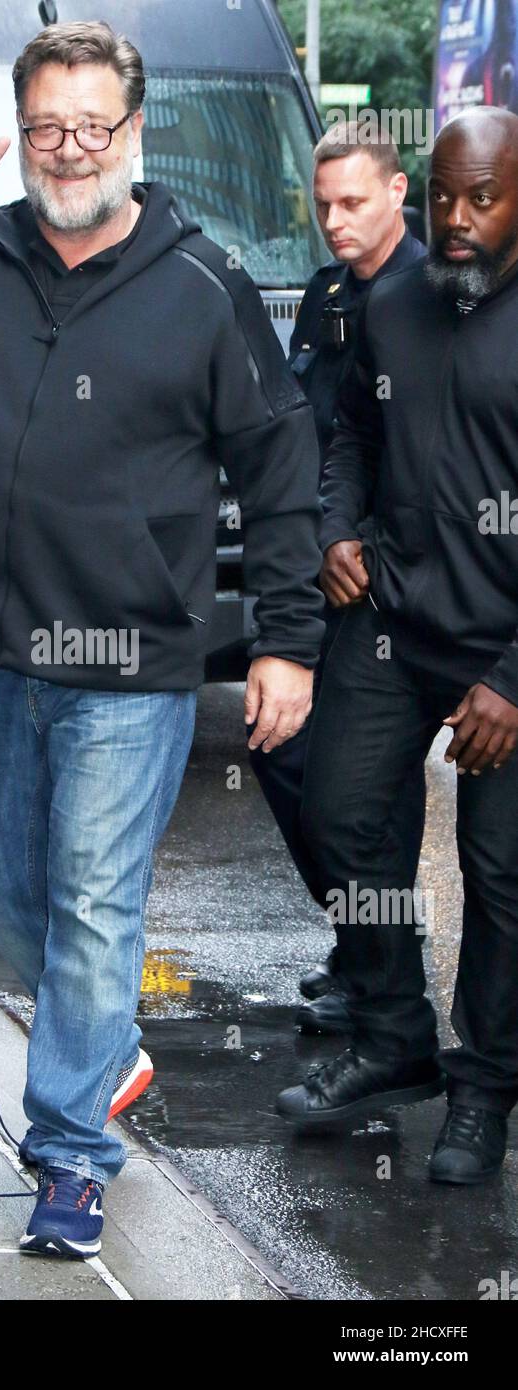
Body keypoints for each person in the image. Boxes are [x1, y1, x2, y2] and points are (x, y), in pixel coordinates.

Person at [0, 21, 324, 1259]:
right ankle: (108, 1049)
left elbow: (281, 462)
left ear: (134, 133)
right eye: (47, 127)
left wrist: (284, 638)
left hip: (132, 660)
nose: (71, 148)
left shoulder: (202, 283)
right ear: (20, 130)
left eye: (95, 125)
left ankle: (69, 1154)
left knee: (92, 904)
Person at [276, 106, 518, 1186]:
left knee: (499, 875)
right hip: (390, 620)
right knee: (337, 811)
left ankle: (481, 1089)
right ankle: (390, 1037)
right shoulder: (391, 305)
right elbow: (350, 439)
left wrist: (510, 679)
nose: (457, 220)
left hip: (501, 652)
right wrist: (334, 526)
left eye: (484, 198)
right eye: (445, 198)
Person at [248, 121, 427, 1038]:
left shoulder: (434, 295)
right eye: (322, 205)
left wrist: (352, 536)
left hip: (383, 582)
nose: (335, 222)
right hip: (313, 560)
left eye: (354, 201)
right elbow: (301, 417)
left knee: (370, 793)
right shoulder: (328, 293)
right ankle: (365, 947)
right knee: (285, 754)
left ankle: (378, 968)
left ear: (398, 193)